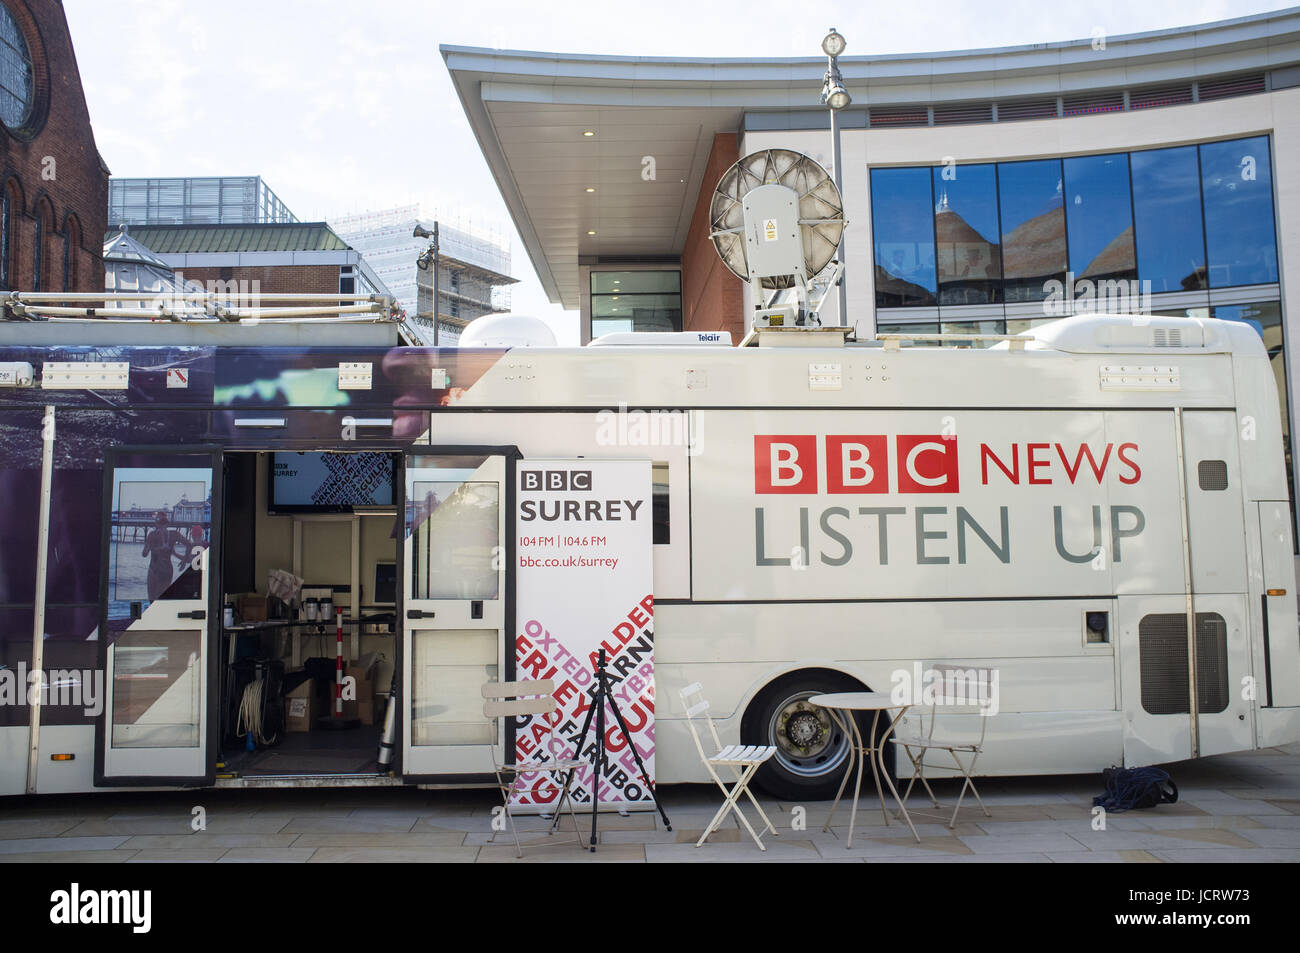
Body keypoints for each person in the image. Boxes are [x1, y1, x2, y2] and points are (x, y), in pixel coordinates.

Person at [142, 512, 186, 601]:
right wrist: (184, 560)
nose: (158, 522)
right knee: (155, 599)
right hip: (158, 569)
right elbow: (145, 553)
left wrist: (184, 560)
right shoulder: (171, 534)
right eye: (157, 519)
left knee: (157, 599)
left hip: (159, 569)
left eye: (159, 520)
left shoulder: (155, 534)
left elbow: (144, 554)